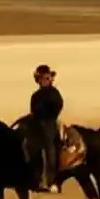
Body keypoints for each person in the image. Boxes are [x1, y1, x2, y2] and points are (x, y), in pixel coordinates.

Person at [29, 64, 64, 192]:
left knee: (51, 150)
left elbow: (58, 106)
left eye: (48, 78)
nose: (48, 80)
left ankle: (52, 181)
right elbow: (33, 111)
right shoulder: (36, 95)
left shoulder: (53, 93)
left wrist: (48, 117)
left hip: (49, 123)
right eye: (44, 78)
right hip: (38, 125)